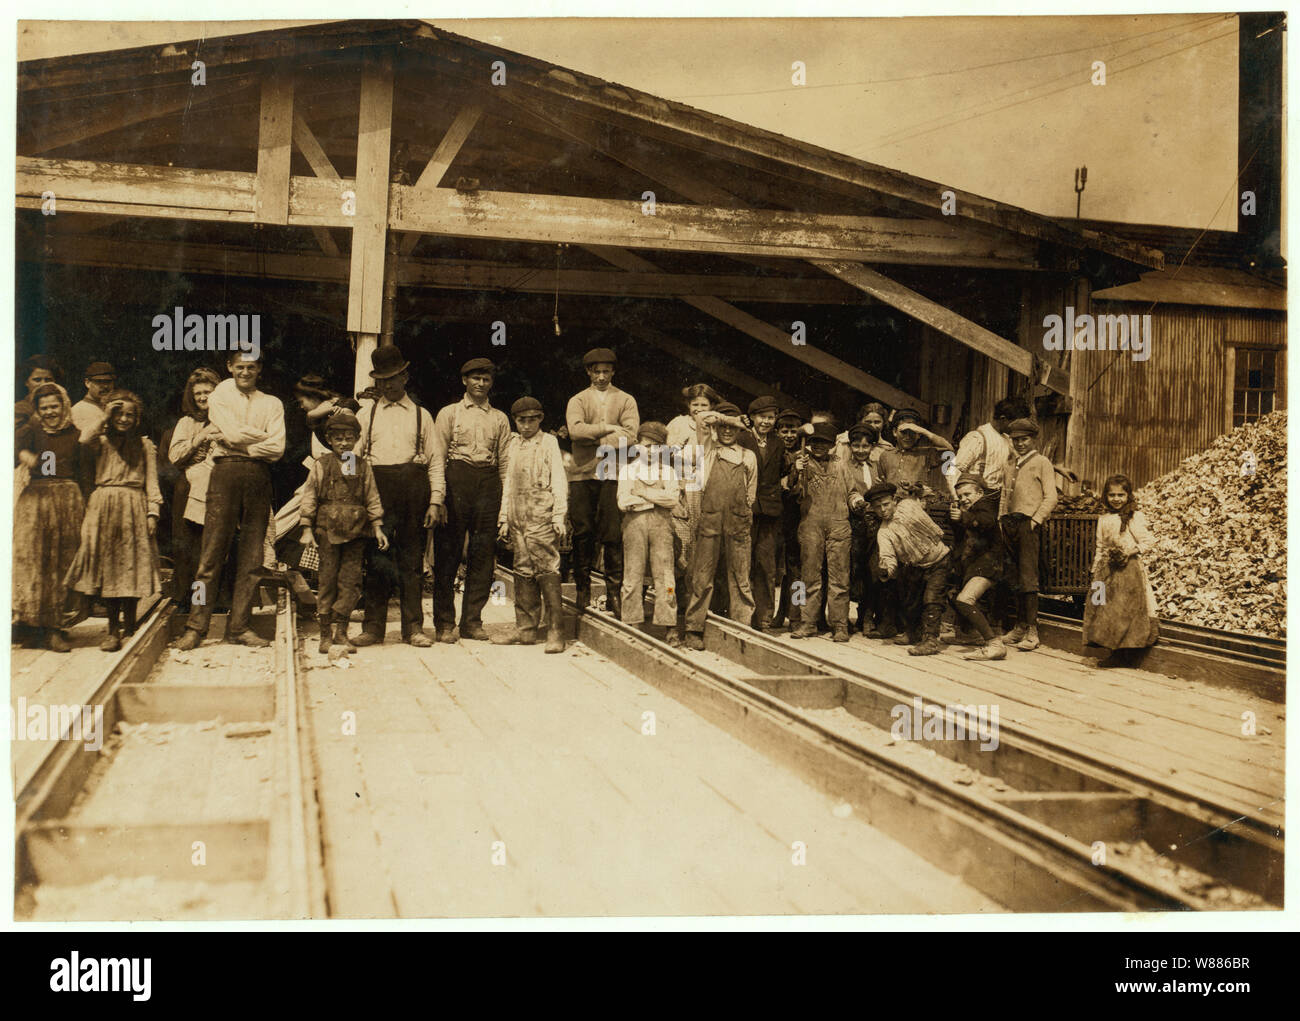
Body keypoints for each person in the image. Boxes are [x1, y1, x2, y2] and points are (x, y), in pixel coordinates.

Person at [174, 352, 286, 651]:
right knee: (210, 556)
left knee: (251, 558)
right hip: (223, 474)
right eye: (240, 367)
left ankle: (240, 627)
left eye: (251, 367)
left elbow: (277, 448)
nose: (245, 372)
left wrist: (243, 441)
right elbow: (239, 436)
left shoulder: (272, 403)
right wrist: (258, 438)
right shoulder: (221, 393)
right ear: (230, 368)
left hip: (258, 477)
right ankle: (195, 627)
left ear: (259, 369)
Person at [350, 345, 437, 648]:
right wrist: (352, 491)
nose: (388, 385)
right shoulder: (366, 414)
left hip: (413, 493)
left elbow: (436, 462)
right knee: (376, 560)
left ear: (405, 376)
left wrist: (436, 500)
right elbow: (352, 457)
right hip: (378, 492)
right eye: (382, 379)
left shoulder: (422, 416)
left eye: (393, 378)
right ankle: (373, 628)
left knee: (412, 561)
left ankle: (413, 629)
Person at [65, 390, 163, 652]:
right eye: (119, 413)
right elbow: (84, 438)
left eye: (130, 414)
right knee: (109, 568)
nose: (124, 419)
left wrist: (153, 512)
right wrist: (104, 416)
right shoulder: (102, 441)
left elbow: (152, 481)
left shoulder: (144, 445)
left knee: (130, 567)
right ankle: (112, 630)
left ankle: (129, 625)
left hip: (133, 505)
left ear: (137, 419)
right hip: (104, 506)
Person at [430, 357, 513, 643]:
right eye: (475, 378)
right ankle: (443, 623)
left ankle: (472, 621)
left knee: (482, 555)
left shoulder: (500, 418)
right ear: (464, 380)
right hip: (456, 479)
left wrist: (504, 503)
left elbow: (505, 463)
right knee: (448, 553)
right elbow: (437, 457)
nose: (480, 383)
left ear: (491, 383)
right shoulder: (449, 413)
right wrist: (438, 498)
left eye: (486, 379)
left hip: (488, 483)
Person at [299, 410, 387, 656]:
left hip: (356, 532)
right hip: (327, 531)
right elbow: (309, 497)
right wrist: (307, 528)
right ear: (329, 439)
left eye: (349, 438)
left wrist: (377, 527)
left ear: (357, 439)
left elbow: (372, 497)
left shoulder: (362, 466)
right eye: (338, 438)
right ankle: (325, 635)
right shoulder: (321, 465)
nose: (344, 443)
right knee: (327, 581)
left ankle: (341, 632)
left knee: (350, 583)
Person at [13, 383, 88, 652]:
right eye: (43, 407)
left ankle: (56, 628)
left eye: (54, 406)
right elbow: (12, 448)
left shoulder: (75, 434)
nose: (49, 412)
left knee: (63, 563)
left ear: (64, 406)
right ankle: (34, 628)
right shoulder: (31, 431)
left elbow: (82, 474)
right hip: (35, 502)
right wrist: (25, 456)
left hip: (68, 501)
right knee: (34, 564)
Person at [566, 347, 639, 616]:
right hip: (582, 473)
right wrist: (608, 429)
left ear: (613, 371)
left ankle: (613, 595)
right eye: (596, 371)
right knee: (583, 530)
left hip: (613, 472)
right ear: (588, 372)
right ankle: (582, 590)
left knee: (611, 532)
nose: (601, 376)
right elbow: (575, 430)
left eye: (606, 371)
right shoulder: (577, 400)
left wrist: (591, 439)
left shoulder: (626, 400)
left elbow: (630, 436)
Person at [493, 396, 569, 653]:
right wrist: (504, 518)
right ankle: (525, 629)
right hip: (517, 514)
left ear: (540, 419)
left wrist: (558, 515)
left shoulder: (549, 442)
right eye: (521, 421)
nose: (526, 425)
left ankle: (556, 631)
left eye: (532, 420)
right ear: (515, 421)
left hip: (541, 512)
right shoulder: (513, 445)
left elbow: (558, 480)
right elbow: (507, 485)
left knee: (547, 566)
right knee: (522, 567)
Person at [682, 403, 757, 650]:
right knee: (703, 575)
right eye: (723, 427)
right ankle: (694, 629)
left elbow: (751, 494)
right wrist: (731, 418)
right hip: (711, 519)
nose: (727, 431)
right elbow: (702, 416)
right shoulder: (708, 450)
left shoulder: (748, 455)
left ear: (739, 432)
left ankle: (742, 628)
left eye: (733, 428)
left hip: (738, 521)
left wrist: (743, 516)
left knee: (740, 576)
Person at [789, 421, 867, 642]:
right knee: (808, 577)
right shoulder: (802, 463)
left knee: (839, 578)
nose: (819, 447)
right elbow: (793, 493)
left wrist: (857, 501)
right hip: (810, 525)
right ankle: (808, 622)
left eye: (824, 443)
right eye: (814, 443)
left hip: (839, 524)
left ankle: (840, 624)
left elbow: (852, 492)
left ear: (833, 445)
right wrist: (797, 472)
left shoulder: (841, 465)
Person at [869, 482, 951, 656]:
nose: (883, 510)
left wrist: (917, 488)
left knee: (932, 599)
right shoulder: (884, 532)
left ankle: (930, 641)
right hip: (916, 566)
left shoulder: (908, 505)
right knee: (911, 601)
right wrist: (885, 570)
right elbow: (889, 558)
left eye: (886, 504)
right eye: (877, 508)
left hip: (939, 559)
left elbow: (925, 495)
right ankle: (913, 633)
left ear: (894, 500)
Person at [1083, 473, 1159, 661]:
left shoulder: (1135, 517)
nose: (1116, 499)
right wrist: (1095, 573)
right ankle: (1106, 645)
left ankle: (1127, 651)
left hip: (1129, 571)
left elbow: (1149, 541)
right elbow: (1100, 547)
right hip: (1106, 571)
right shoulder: (1104, 519)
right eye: (1112, 495)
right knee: (1100, 603)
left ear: (1128, 496)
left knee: (1125, 609)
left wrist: (1130, 551)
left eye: (1121, 495)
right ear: (1106, 496)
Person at [617, 421, 680, 642]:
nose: (651, 451)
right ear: (637, 446)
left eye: (656, 446)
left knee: (665, 576)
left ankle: (669, 624)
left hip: (662, 526)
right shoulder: (628, 470)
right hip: (634, 526)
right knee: (632, 574)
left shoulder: (669, 471)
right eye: (646, 446)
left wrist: (642, 492)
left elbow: (672, 500)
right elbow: (624, 502)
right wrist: (656, 499)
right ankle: (632, 622)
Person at [998, 418, 1058, 652]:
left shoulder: (1042, 462)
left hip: (1027, 524)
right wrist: (1001, 518)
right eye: (1016, 440)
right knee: (1013, 576)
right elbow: (1004, 494)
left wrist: (1035, 520)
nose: (1020, 444)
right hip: (1009, 524)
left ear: (1034, 439)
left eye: (1024, 439)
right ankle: (1019, 626)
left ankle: (1032, 630)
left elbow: (1051, 496)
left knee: (1028, 577)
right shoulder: (1010, 463)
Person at [667, 383, 722, 631]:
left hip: (707, 488)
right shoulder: (678, 424)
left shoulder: (717, 425)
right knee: (682, 543)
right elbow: (666, 455)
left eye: (704, 405)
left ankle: (698, 602)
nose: (699, 409)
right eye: (695, 404)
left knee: (703, 545)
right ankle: (678, 601)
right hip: (683, 485)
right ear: (688, 406)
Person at [167, 367, 221, 612]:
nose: (202, 397)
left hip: (219, 486)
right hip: (188, 488)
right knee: (187, 544)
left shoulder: (227, 418)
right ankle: (186, 600)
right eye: (197, 393)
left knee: (215, 544)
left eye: (207, 392)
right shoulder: (186, 423)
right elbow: (175, 456)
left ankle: (214, 602)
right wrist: (200, 437)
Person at [948, 472, 1007, 661]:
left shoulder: (985, 507)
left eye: (967, 495)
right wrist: (956, 520)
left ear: (979, 493)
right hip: (977, 566)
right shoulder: (972, 510)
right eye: (960, 497)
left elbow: (985, 522)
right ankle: (972, 634)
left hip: (989, 565)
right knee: (954, 594)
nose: (963, 499)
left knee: (965, 600)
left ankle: (994, 643)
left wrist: (963, 517)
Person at [747, 395, 785, 632]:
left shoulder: (778, 443)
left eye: (770, 418)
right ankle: (742, 613)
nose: (766, 422)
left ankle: (764, 617)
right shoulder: (741, 438)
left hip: (770, 511)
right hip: (747, 508)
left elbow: (781, 472)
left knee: (766, 564)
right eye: (762, 417)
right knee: (743, 562)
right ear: (752, 417)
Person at [844, 422, 879, 635]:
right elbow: (848, 491)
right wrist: (857, 502)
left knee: (871, 570)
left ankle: (866, 617)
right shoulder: (844, 466)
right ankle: (844, 617)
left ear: (872, 447)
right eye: (856, 446)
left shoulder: (877, 466)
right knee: (851, 570)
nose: (860, 450)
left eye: (865, 446)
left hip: (875, 525)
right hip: (853, 523)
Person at [772, 408, 805, 632]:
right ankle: (777, 613)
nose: (789, 435)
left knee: (797, 569)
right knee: (775, 569)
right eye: (785, 431)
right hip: (776, 517)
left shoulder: (805, 454)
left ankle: (796, 615)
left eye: (793, 431)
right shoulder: (774, 452)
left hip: (797, 518)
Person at [953, 397, 1026, 495]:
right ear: (1003, 419)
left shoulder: (1008, 440)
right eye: (1015, 424)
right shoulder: (978, 438)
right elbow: (954, 469)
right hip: (977, 497)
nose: (1018, 428)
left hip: (998, 497)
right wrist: (957, 498)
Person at [70, 361, 117, 436]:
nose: (105, 386)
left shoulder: (113, 407)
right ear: (87, 383)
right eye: (99, 382)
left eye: (108, 382)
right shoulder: (78, 410)